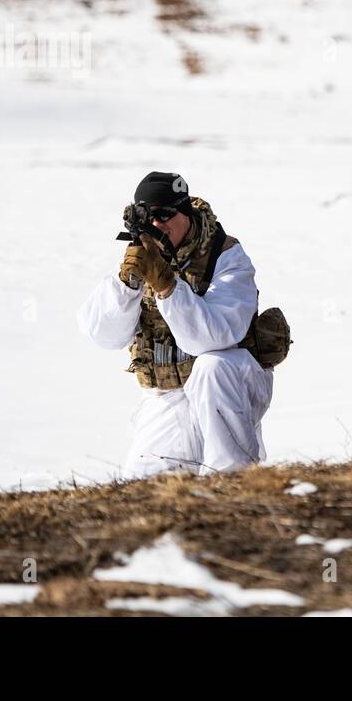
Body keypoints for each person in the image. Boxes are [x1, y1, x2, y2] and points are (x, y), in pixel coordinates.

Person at [78, 171, 273, 477]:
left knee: (212, 367)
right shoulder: (141, 253)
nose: (157, 225)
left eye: (165, 215)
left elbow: (214, 336)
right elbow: (104, 336)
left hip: (233, 382)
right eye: (148, 217)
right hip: (169, 393)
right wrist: (127, 284)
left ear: (187, 214)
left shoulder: (225, 256)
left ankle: (233, 478)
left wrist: (167, 287)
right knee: (145, 484)